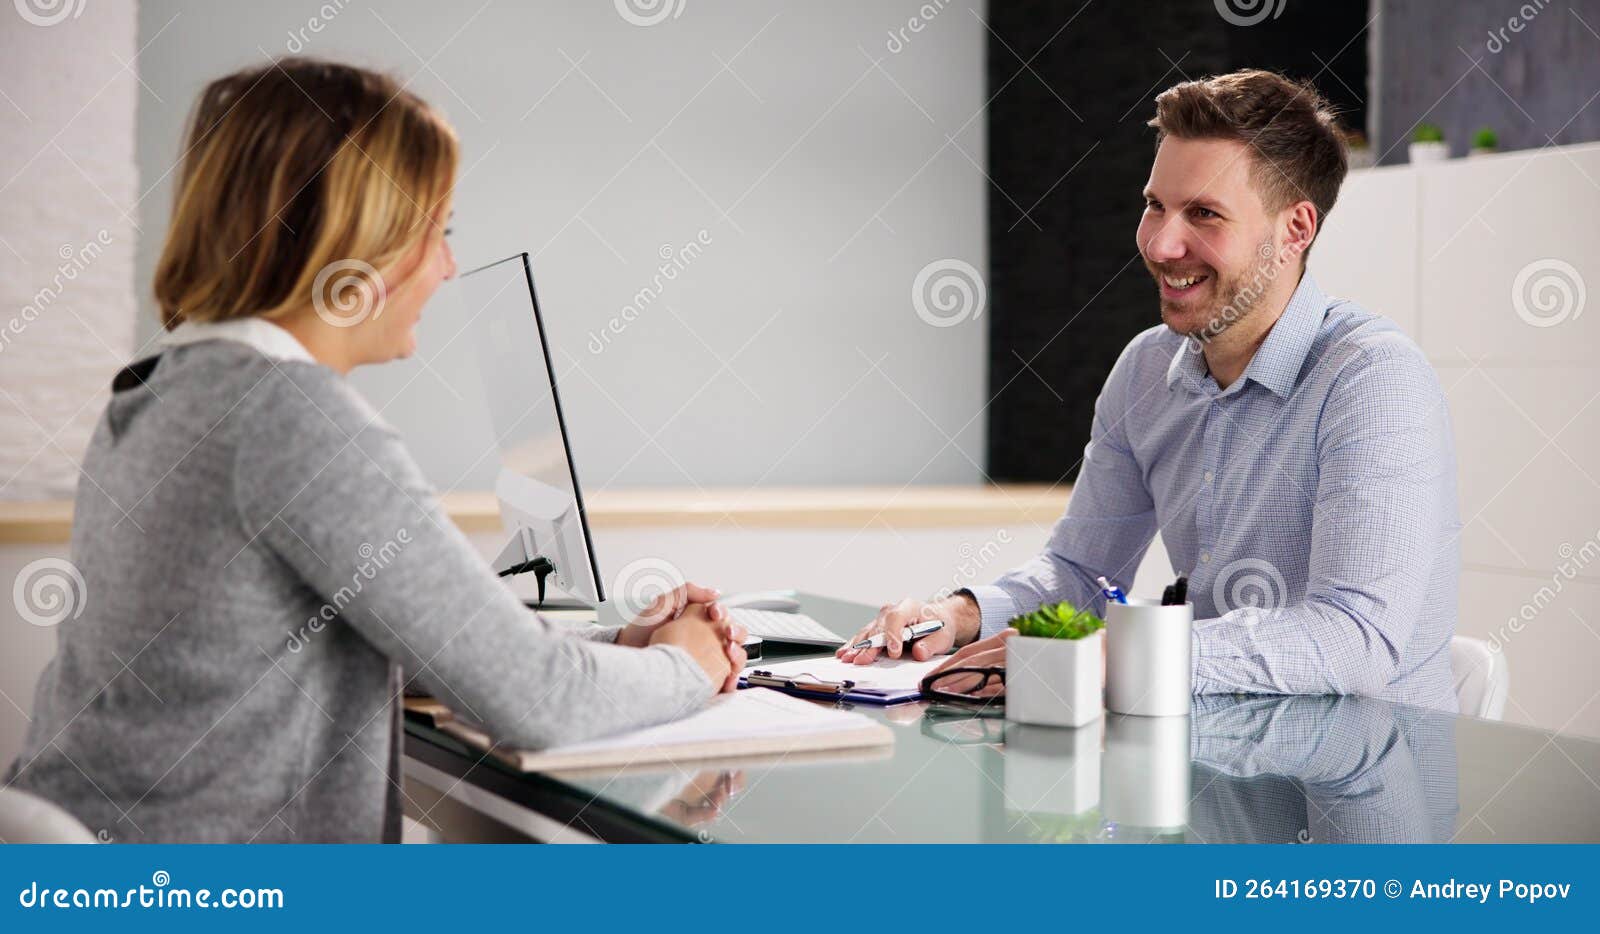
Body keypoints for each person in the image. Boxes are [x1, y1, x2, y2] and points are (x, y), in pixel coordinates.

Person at [3, 59, 744, 843]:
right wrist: (687, 666)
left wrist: (622, 646)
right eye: (437, 232)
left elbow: (423, 648)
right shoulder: (290, 420)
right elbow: (537, 703)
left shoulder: (161, 390)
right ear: (360, 241)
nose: (448, 266)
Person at [843, 69, 1460, 712]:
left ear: (1295, 230)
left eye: (1204, 214)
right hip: (1214, 752)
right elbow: (1082, 574)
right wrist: (962, 614)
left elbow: (1355, 635)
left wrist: (1131, 654)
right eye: (1155, 205)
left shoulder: (1372, 379)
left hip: (1364, 773)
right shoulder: (1146, 370)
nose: (1161, 243)